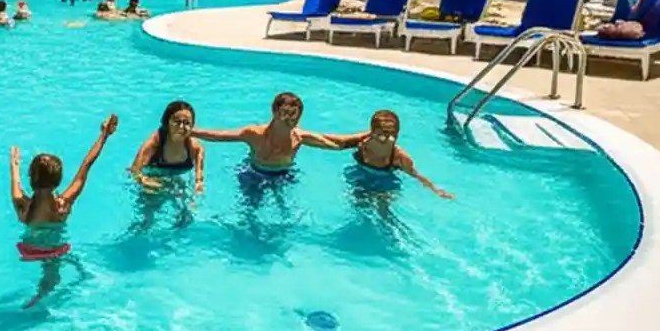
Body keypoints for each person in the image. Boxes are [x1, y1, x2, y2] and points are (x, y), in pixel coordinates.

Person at [10, 114, 118, 308]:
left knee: (64, 263)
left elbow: (16, 184)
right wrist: (104, 136)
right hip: (54, 250)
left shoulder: (23, 206)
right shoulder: (63, 205)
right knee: (54, 274)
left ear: (30, 177)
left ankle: (35, 300)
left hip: (30, 250)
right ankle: (39, 300)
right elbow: (87, 165)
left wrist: (14, 166)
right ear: (58, 180)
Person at [192, 92, 338, 214]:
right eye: (286, 114)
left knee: (285, 210)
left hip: (283, 175)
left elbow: (335, 144)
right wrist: (190, 131)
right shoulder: (255, 134)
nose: (291, 119)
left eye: (295, 115)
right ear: (274, 112)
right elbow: (219, 135)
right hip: (254, 174)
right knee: (250, 210)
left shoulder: (299, 138)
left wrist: (360, 141)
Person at [320, 110, 454, 199]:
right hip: (360, 175)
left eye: (392, 135)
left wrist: (436, 190)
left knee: (384, 211)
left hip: (386, 180)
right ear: (372, 133)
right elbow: (336, 142)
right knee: (359, 204)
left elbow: (415, 174)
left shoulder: (399, 156)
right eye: (382, 135)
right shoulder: (362, 144)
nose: (387, 139)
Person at [128, 101, 205, 230]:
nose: (181, 126)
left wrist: (197, 186)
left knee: (187, 212)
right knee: (147, 217)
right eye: (177, 121)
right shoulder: (154, 142)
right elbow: (134, 171)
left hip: (175, 178)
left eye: (187, 123)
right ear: (167, 122)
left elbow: (199, 180)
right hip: (153, 176)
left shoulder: (195, 148)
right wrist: (145, 181)